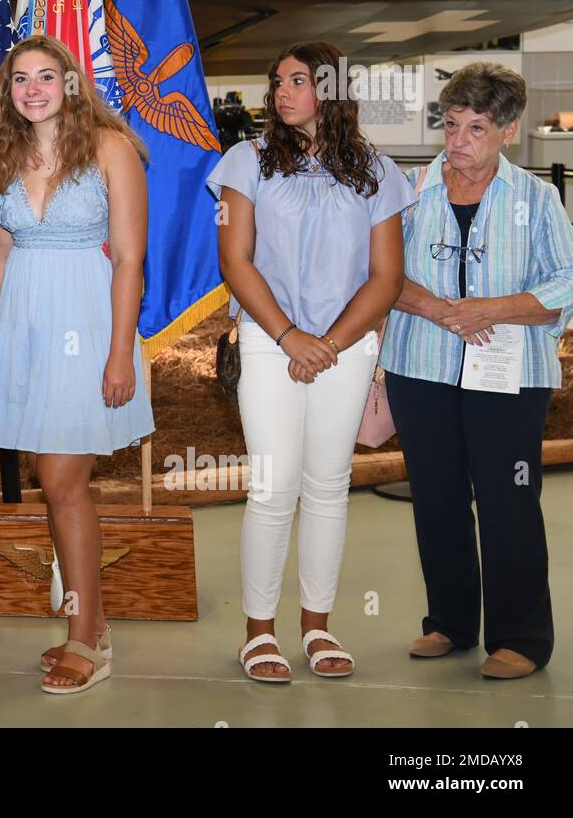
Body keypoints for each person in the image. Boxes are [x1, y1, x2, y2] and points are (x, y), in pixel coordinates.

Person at [208, 41, 415, 683]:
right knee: (272, 489)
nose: (281, 93)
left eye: (296, 80)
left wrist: (329, 343)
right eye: (277, 82)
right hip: (273, 344)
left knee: (328, 488)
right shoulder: (246, 161)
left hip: (346, 348)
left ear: (331, 88)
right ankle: (259, 634)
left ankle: (318, 628)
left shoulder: (377, 172)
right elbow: (234, 261)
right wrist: (292, 336)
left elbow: (387, 277)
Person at [381, 62, 573, 679]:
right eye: (452, 124)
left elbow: (565, 282)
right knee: (435, 497)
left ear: (510, 131)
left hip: (511, 375)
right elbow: (380, 276)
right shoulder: (410, 191)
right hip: (421, 366)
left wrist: (492, 309)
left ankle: (520, 638)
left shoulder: (539, 198)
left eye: (477, 128)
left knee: (508, 498)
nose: (458, 140)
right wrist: (440, 310)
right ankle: (449, 623)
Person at [0, 34, 153, 695]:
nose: (32, 88)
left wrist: (118, 352)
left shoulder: (112, 149)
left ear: (70, 82)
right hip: (26, 329)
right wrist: (3, 339)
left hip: (90, 325)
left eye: (45, 76)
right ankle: (92, 623)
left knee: (63, 483)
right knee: (58, 485)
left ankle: (87, 640)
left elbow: (131, 258)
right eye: (19, 78)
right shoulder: (0, 155)